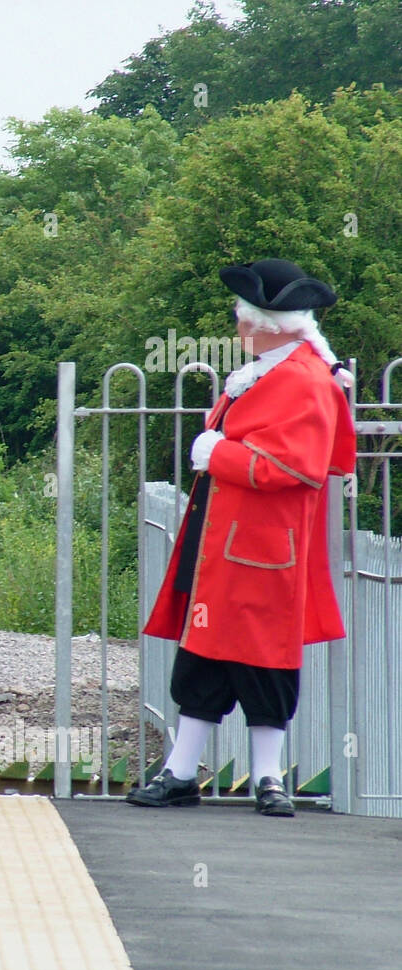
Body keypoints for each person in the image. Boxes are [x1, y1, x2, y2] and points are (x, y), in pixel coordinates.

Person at [129, 259, 356, 817]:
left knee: (264, 659)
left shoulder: (300, 380)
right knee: (203, 654)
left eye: (241, 316)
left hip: (261, 546)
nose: (236, 325)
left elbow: (296, 467)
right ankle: (183, 773)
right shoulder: (273, 370)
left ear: (263, 323)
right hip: (228, 542)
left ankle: (267, 779)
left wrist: (216, 453)